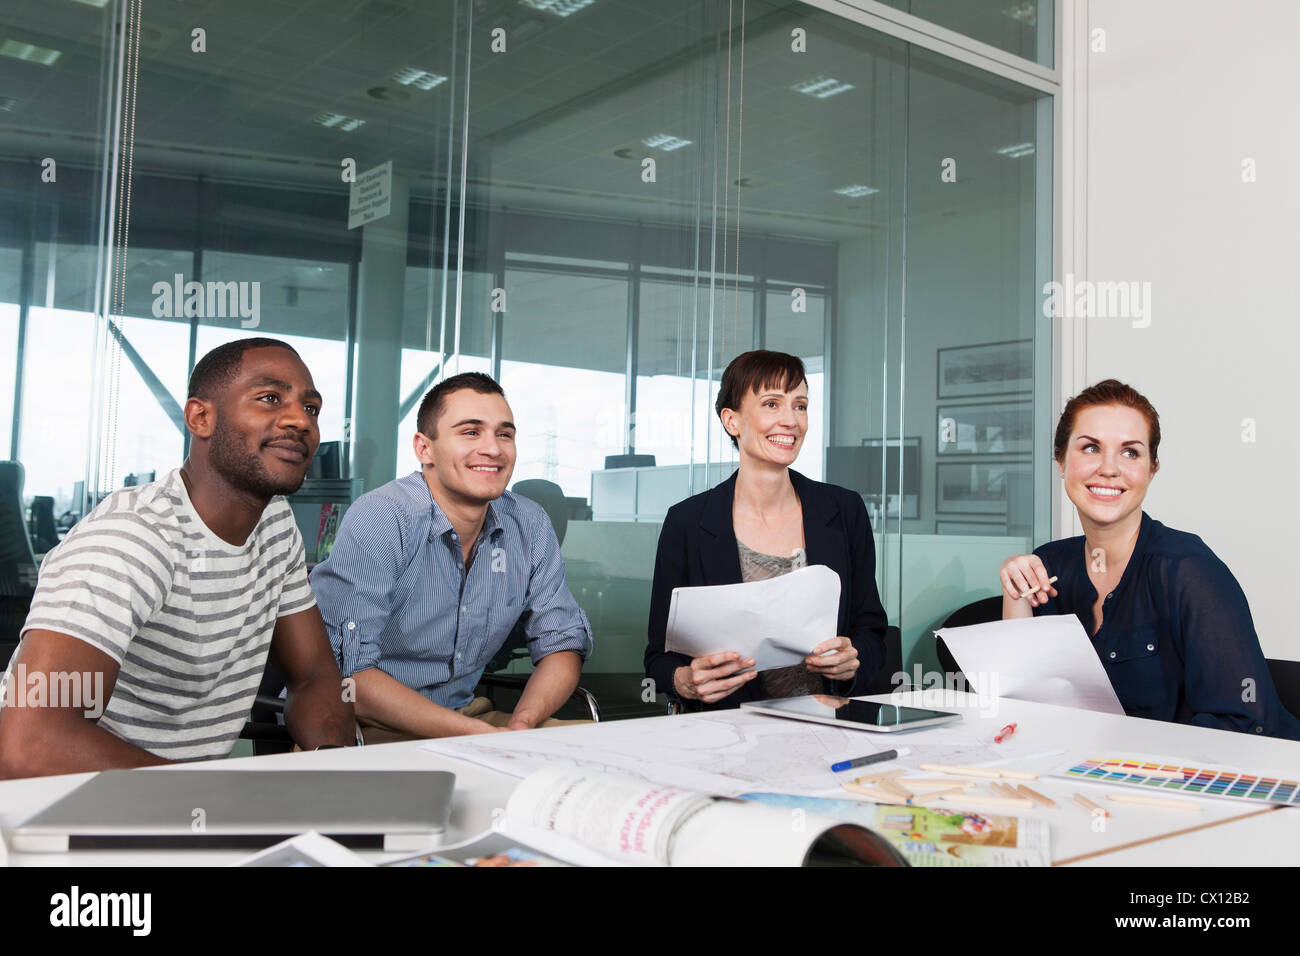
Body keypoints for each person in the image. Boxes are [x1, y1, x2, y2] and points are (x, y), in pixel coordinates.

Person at [0, 338, 356, 778]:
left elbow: (315, 676)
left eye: (312, 409)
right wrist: (215, 801)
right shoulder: (131, 537)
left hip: (189, 813)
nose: (299, 420)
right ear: (200, 417)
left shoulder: (275, 526)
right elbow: (30, 745)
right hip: (70, 811)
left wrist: (334, 770)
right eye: (269, 398)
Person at [1000, 379, 1299, 739]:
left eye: (1130, 452)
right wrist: (1015, 592)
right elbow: (1018, 709)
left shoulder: (1188, 570)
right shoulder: (1049, 564)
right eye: (1091, 448)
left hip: (1204, 780)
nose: (1109, 468)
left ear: (1151, 469)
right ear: (1061, 461)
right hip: (1090, 776)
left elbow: (1244, 725)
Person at [311, 372, 592, 742]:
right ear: (424, 448)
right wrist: (476, 736)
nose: (493, 449)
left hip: (466, 717)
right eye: (471, 432)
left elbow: (562, 641)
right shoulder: (382, 517)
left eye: (504, 434)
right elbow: (348, 677)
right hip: (364, 725)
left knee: (597, 758)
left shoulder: (529, 523)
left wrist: (521, 726)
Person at [645, 350, 888, 710]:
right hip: (728, 732)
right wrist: (685, 681)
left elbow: (872, 632)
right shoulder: (688, 522)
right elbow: (659, 659)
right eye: (772, 404)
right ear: (732, 421)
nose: (790, 420)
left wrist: (852, 659)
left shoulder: (843, 510)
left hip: (827, 727)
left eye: (800, 406)